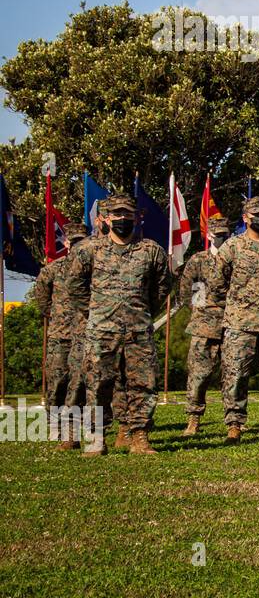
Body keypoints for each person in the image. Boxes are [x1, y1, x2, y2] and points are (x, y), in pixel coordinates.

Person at [66, 193, 171, 455]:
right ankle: (96, 438)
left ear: (136, 217)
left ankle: (139, 437)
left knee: (142, 386)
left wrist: (142, 312)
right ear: (106, 218)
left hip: (138, 332)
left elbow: (161, 289)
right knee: (98, 385)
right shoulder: (89, 250)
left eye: (127, 214)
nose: (122, 219)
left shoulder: (151, 251)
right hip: (101, 331)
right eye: (117, 214)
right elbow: (75, 286)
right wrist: (94, 312)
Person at [210, 196, 259, 443]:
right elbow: (217, 284)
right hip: (240, 322)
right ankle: (235, 424)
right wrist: (234, 307)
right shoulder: (232, 247)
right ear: (245, 218)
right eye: (255, 215)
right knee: (235, 375)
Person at [32, 222, 89, 447]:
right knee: (56, 383)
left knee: (79, 383)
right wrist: (58, 320)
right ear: (66, 243)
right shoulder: (52, 270)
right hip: (60, 335)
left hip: (84, 334)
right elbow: (42, 302)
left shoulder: (93, 270)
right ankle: (54, 425)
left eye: (80, 242)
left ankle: (73, 428)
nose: (76, 246)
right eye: (73, 242)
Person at [178, 217, 231, 437]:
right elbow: (188, 290)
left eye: (225, 235)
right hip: (204, 325)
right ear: (209, 235)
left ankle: (234, 423)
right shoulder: (198, 261)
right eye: (217, 235)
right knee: (198, 377)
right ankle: (193, 420)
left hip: (232, 323)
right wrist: (202, 310)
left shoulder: (234, 258)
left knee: (233, 377)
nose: (221, 238)